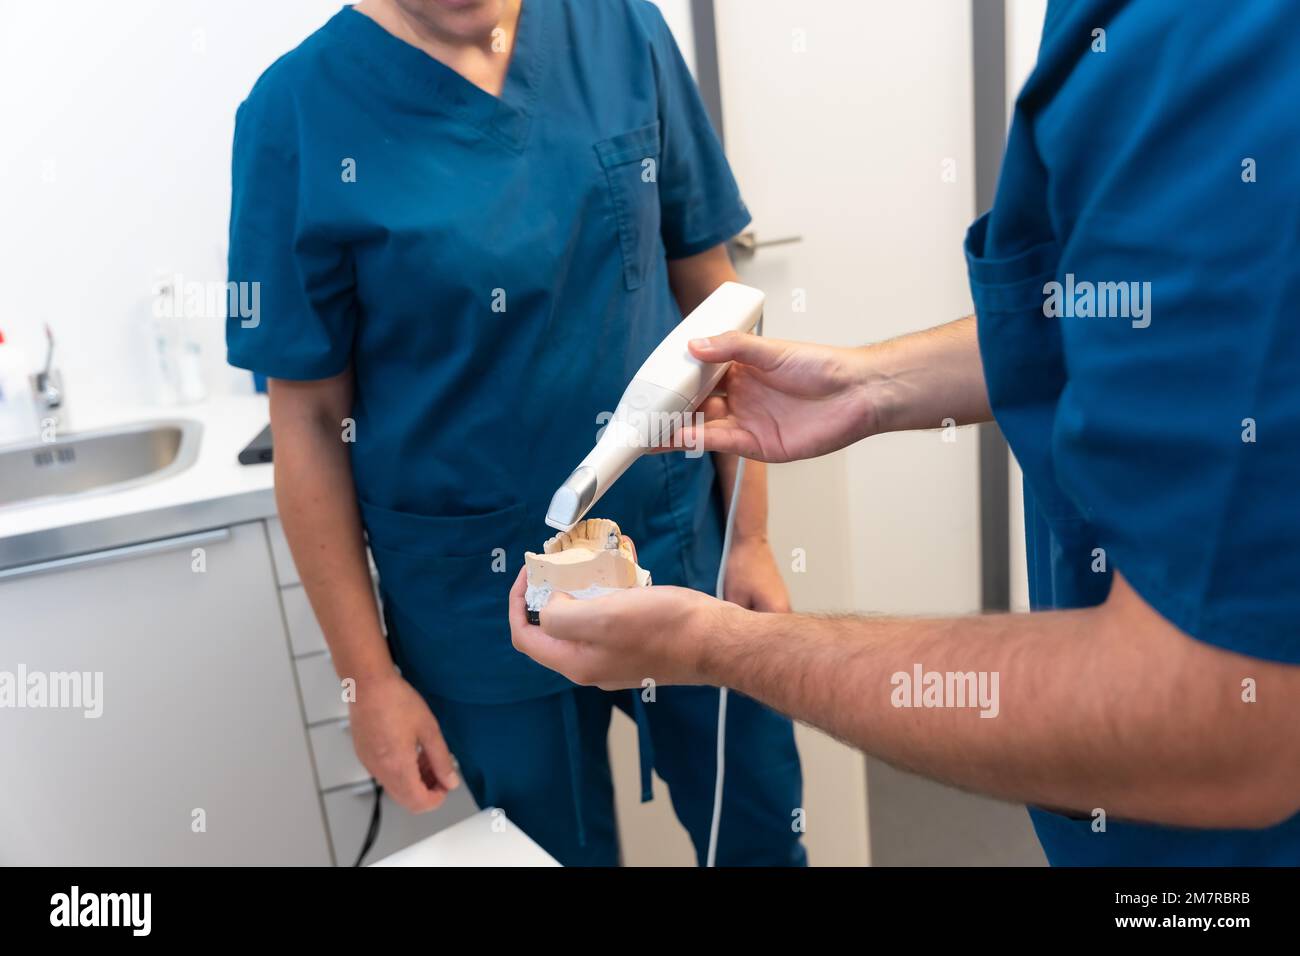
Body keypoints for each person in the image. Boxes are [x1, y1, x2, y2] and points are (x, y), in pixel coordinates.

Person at [511, 0, 1300, 865]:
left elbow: (1212, 711)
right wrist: (872, 385)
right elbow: (1145, 327)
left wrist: (717, 647)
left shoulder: (1216, 45)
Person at [226, 0, 805, 867]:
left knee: (761, 833)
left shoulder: (620, 30)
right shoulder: (299, 112)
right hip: (474, 598)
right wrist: (370, 682)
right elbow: (307, 421)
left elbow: (713, 294)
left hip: (683, 548)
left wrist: (750, 536)